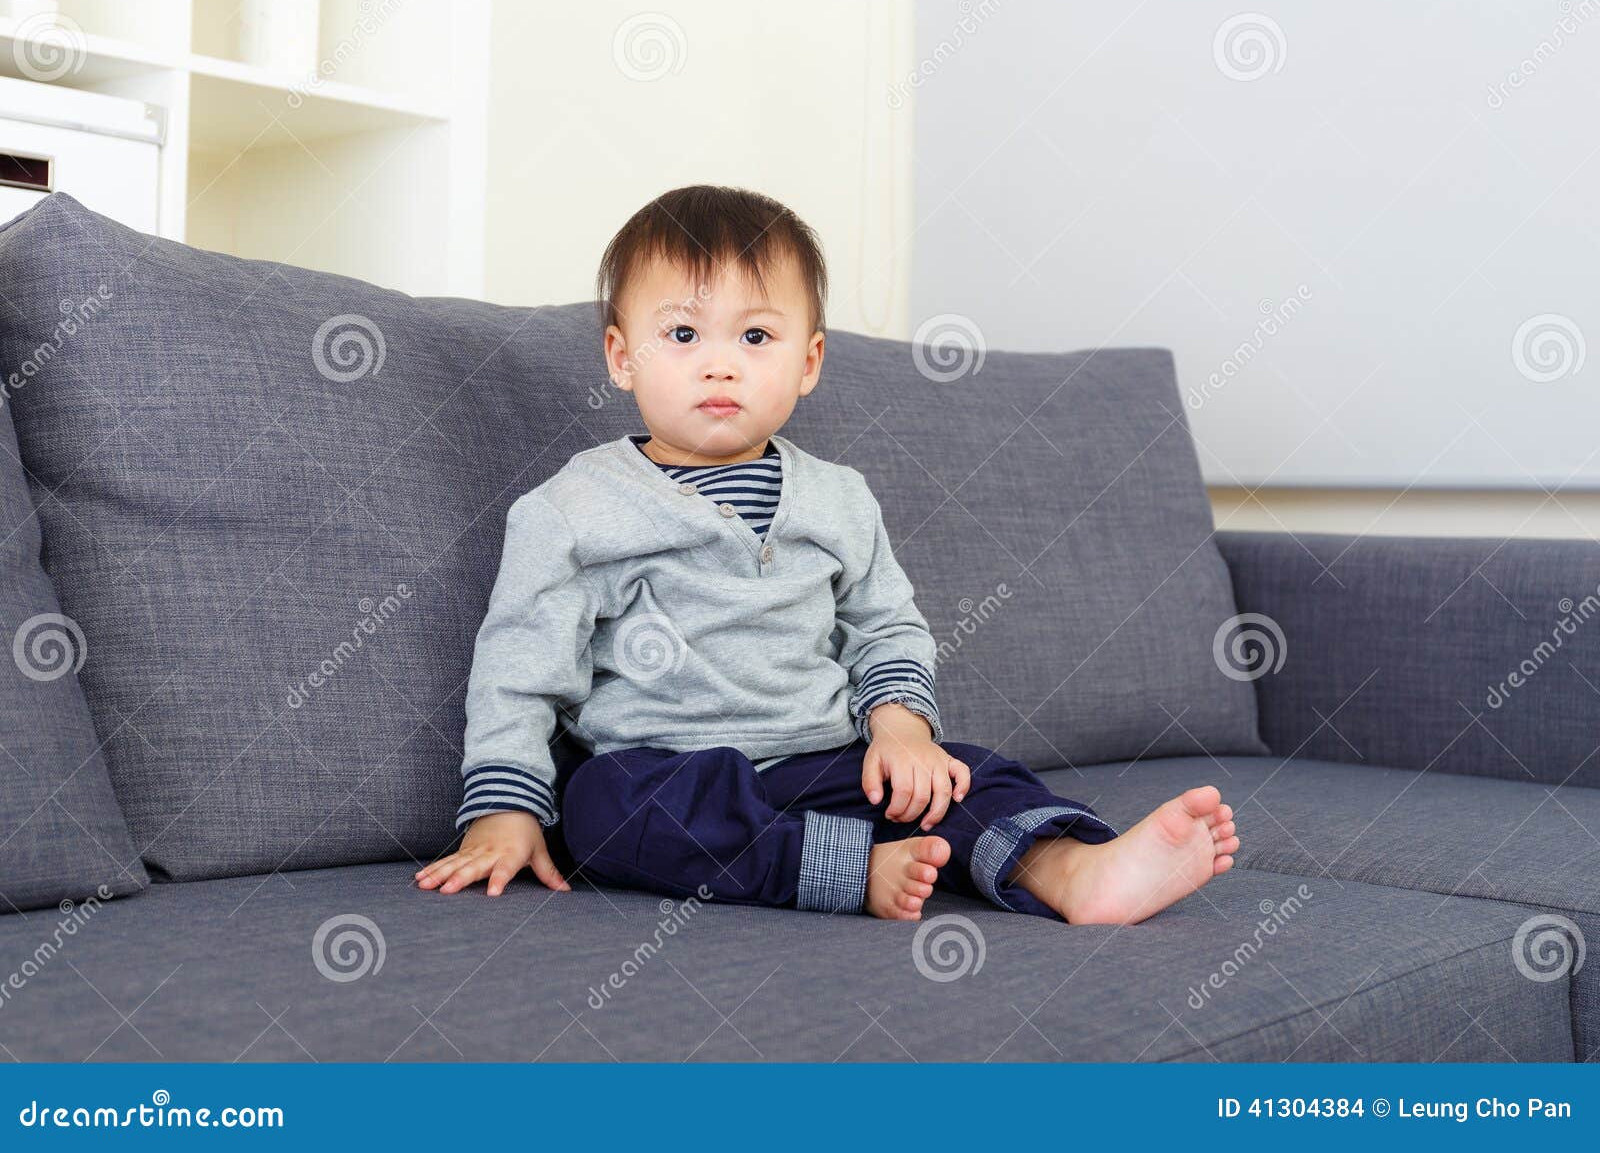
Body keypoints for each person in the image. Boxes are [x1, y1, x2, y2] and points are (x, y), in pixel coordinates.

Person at [416, 185, 1239, 922]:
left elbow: (886, 627)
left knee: (964, 775)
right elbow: (520, 667)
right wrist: (503, 809)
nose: (719, 363)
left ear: (807, 361)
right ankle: (847, 871)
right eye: (682, 333)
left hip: (826, 760)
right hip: (670, 769)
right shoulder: (574, 508)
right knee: (599, 806)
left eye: (755, 335)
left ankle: (1072, 871)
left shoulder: (839, 498)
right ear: (621, 356)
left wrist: (901, 729)